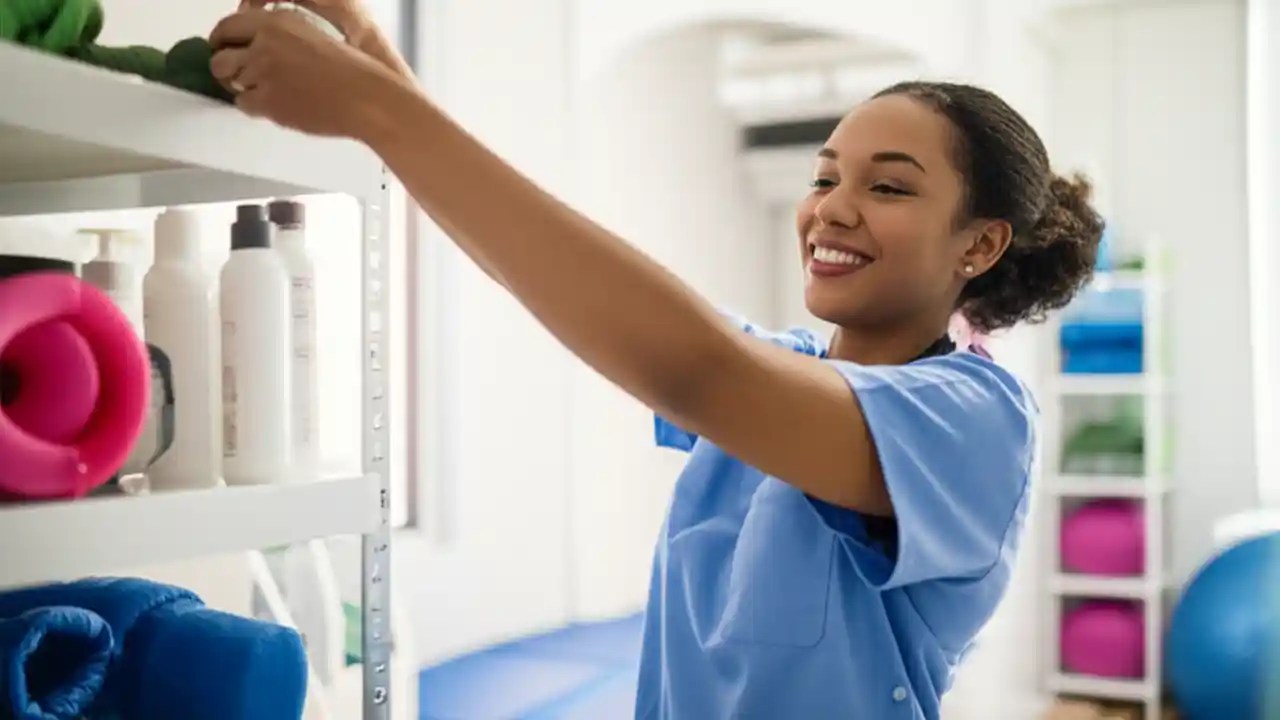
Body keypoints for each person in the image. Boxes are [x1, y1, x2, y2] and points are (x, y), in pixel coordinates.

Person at [208, 4, 1103, 718]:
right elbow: (549, 270)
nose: (832, 208)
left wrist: (374, 107)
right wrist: (371, 58)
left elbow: (698, 369)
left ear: (980, 246)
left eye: (890, 186)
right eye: (826, 177)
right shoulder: (784, 364)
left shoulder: (974, 417)